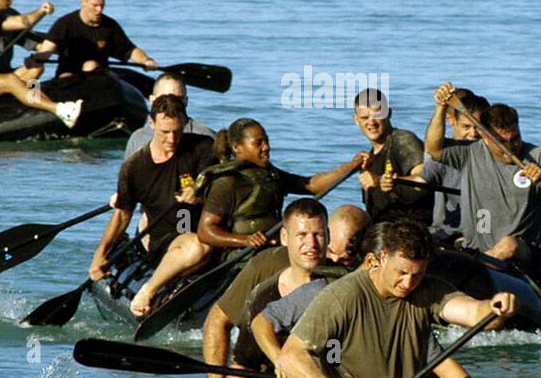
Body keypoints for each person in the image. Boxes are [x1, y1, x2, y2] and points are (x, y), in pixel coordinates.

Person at [280, 219, 522, 378]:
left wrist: (495, 307)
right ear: (383, 258)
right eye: (401, 272)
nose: (408, 283)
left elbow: (473, 313)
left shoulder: (428, 289)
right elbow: (290, 358)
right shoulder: (342, 296)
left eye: (417, 274)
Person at [126, 117, 368, 316]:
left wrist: (351, 165)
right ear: (238, 149)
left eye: (267, 141)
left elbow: (312, 185)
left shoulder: (271, 175)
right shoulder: (227, 182)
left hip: (273, 249)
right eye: (259, 143)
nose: (266, 147)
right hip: (241, 258)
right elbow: (205, 231)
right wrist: (245, 240)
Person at [201, 204, 370, 378]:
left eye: (319, 235)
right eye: (301, 235)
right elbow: (217, 322)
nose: (311, 245)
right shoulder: (265, 266)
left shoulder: (343, 279)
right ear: (284, 236)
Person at [425, 82, 541, 273]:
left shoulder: (539, 156)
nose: (511, 146)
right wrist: (441, 107)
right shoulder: (469, 153)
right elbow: (434, 148)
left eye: (515, 138)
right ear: (485, 137)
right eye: (502, 141)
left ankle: (474, 273)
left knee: (508, 244)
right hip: (475, 249)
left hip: (523, 253)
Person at [88, 94, 217, 281]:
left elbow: (218, 187)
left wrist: (200, 195)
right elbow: (122, 215)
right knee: (197, 246)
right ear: (151, 123)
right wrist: (100, 254)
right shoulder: (134, 168)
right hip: (168, 242)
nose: (172, 139)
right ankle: (149, 290)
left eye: (177, 131)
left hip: (209, 232)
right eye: (165, 132)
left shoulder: (202, 147)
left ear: (185, 123)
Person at [29, 0, 156, 77]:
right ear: (83, 2)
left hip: (99, 78)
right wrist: (35, 60)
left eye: (102, 6)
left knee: (91, 65)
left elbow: (130, 50)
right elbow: (46, 50)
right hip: (68, 76)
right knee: (58, 75)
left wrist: (146, 60)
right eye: (95, 5)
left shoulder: (110, 26)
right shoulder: (65, 24)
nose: (99, 10)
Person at [351, 88, 431, 226]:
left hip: (411, 228)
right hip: (380, 229)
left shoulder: (403, 141)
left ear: (389, 113)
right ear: (356, 120)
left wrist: (381, 181)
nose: (371, 122)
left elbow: (425, 179)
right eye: (365, 117)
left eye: (377, 115)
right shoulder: (368, 159)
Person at [417, 89, 488, 241]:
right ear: (452, 120)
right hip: (446, 231)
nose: (473, 133)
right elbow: (419, 181)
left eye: (479, 127)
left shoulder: (491, 154)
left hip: (483, 232)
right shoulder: (446, 153)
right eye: (466, 127)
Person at [122, 73, 215, 159]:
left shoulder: (205, 137)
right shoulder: (138, 138)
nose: (171, 103)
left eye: (178, 99)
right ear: (152, 100)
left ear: (186, 101)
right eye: (164, 98)